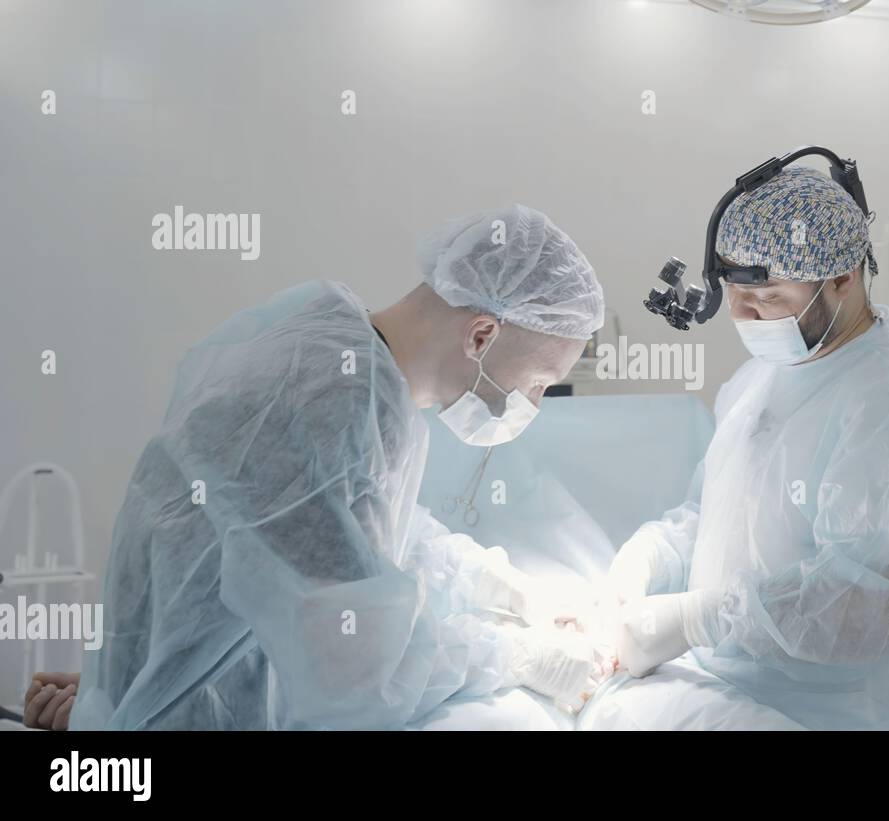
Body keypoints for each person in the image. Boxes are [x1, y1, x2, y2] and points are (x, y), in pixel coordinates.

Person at [32, 204, 610, 730]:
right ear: (481, 335)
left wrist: (498, 585)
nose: (530, 405)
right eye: (538, 385)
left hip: (158, 695)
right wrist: (514, 656)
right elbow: (356, 674)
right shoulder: (342, 404)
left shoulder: (332, 338)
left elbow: (363, 547)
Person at [604, 167, 889, 730]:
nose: (741, 315)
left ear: (843, 277)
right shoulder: (762, 378)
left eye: (766, 296)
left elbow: (876, 605)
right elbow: (715, 515)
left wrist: (698, 621)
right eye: (734, 295)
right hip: (737, 695)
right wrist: (650, 558)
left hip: (847, 713)